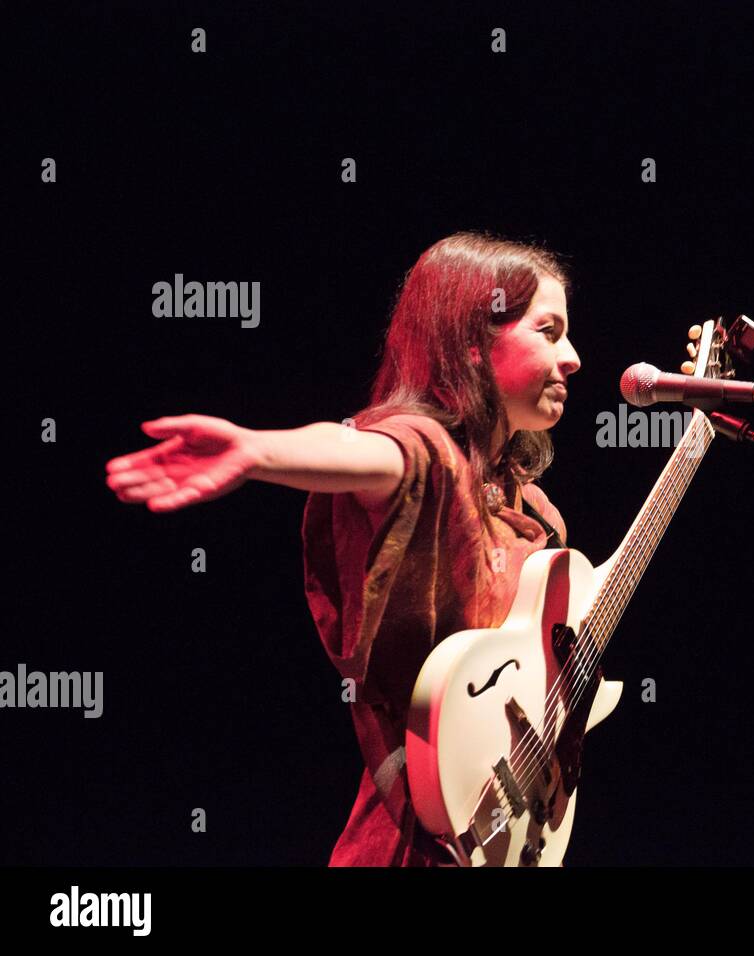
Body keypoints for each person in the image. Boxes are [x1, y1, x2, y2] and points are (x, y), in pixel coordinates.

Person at [105, 232, 582, 865]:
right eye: (548, 331)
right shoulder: (436, 457)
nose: (573, 357)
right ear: (471, 341)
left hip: (504, 829)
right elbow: (377, 452)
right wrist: (259, 451)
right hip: (415, 842)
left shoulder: (536, 513)